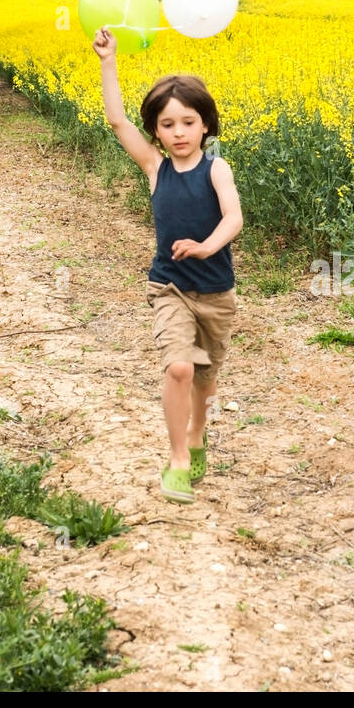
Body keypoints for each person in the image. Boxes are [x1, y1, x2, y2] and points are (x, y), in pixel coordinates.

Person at [93, 26, 242, 505]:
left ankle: (198, 432)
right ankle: (178, 460)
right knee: (179, 368)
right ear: (156, 130)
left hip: (216, 293)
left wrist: (205, 246)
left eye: (188, 122)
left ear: (205, 126)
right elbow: (117, 122)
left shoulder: (216, 169)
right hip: (170, 289)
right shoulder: (155, 169)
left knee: (205, 378)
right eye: (167, 124)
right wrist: (108, 60)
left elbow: (235, 218)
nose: (178, 132)